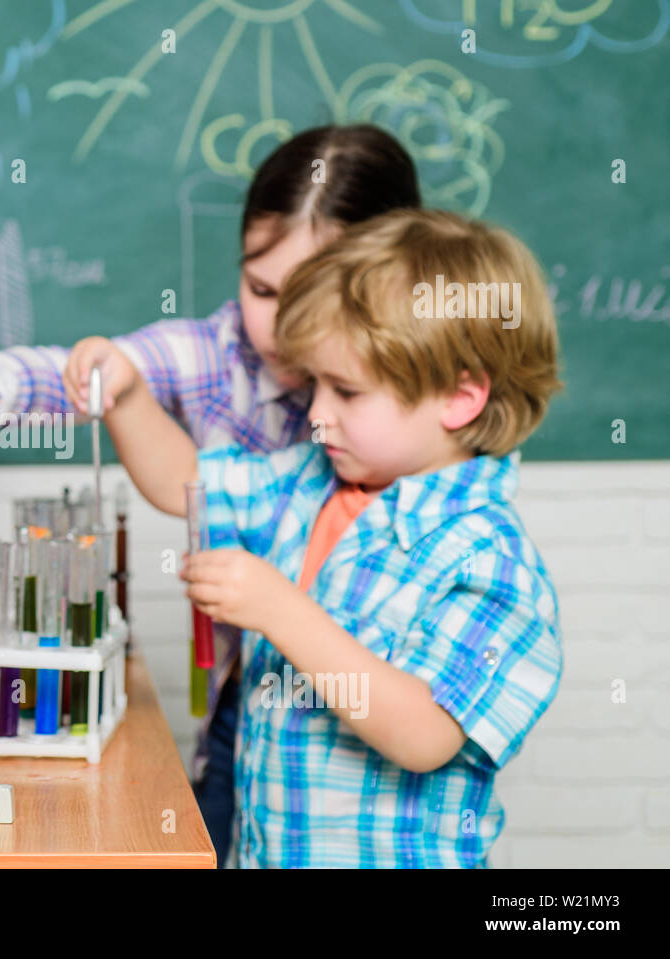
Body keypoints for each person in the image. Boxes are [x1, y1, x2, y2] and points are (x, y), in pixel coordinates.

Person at [0, 124, 422, 864]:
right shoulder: (219, 355)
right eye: (261, 288)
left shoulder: (427, 413)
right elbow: (116, 401)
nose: (281, 325)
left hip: (389, 723)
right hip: (248, 709)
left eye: (314, 296)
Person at [98, 207, 563, 866]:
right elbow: (187, 481)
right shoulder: (310, 482)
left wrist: (280, 609)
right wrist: (125, 395)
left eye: (346, 390)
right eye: (314, 384)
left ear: (460, 398)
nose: (316, 415)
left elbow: (423, 731)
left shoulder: (488, 558)